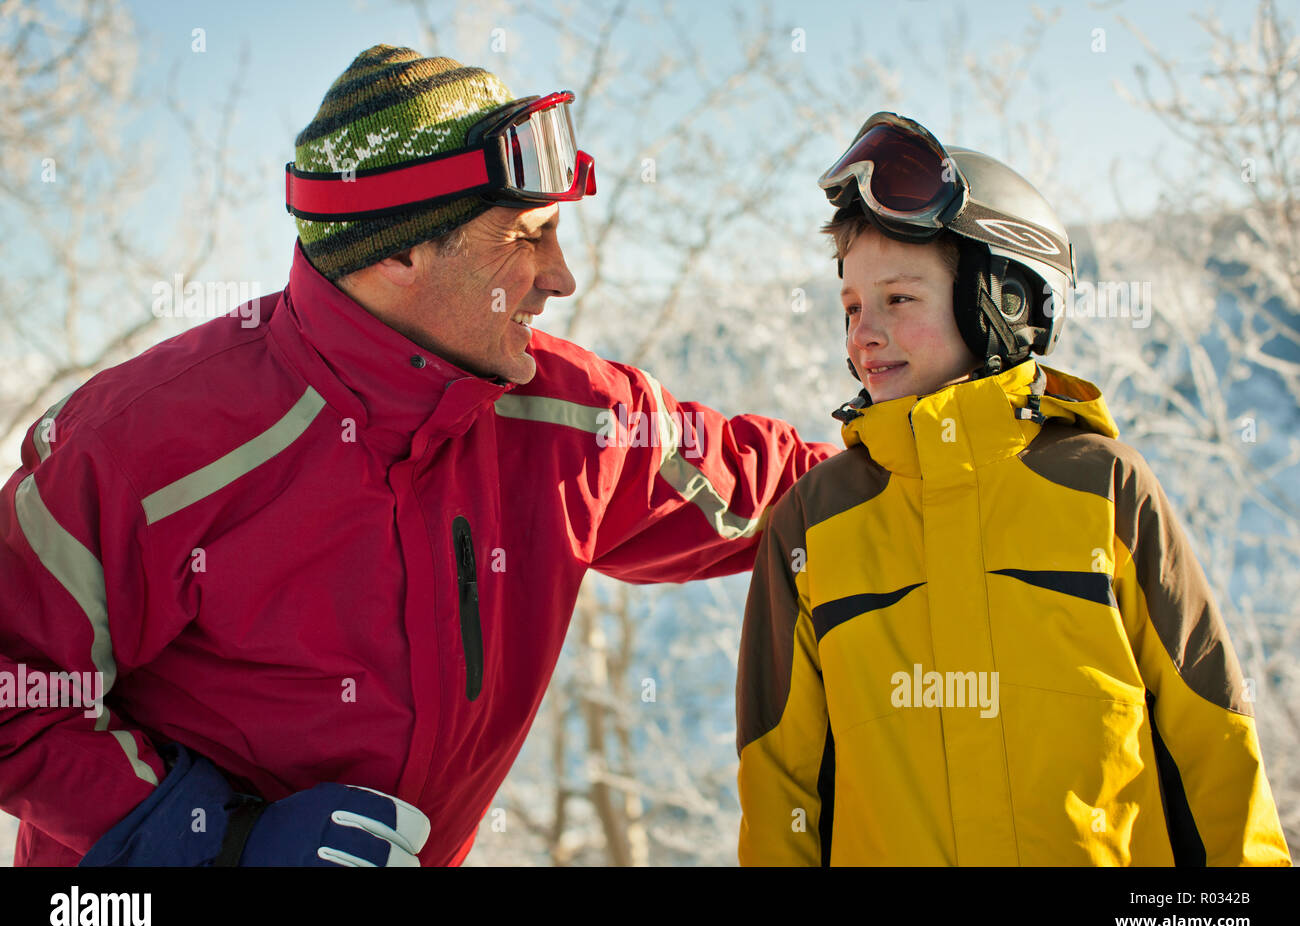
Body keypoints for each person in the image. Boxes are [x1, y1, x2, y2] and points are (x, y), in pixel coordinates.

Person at [0, 46, 838, 867]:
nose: (562, 276)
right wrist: (219, 838)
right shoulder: (149, 439)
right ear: (398, 254)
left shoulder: (567, 419)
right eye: (528, 236)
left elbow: (791, 496)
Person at [734, 111, 1292, 866]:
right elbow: (779, 783)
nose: (864, 334)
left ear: (1001, 302)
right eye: (853, 308)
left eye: (899, 300)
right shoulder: (815, 520)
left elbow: (1214, 738)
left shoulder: (1103, 487)